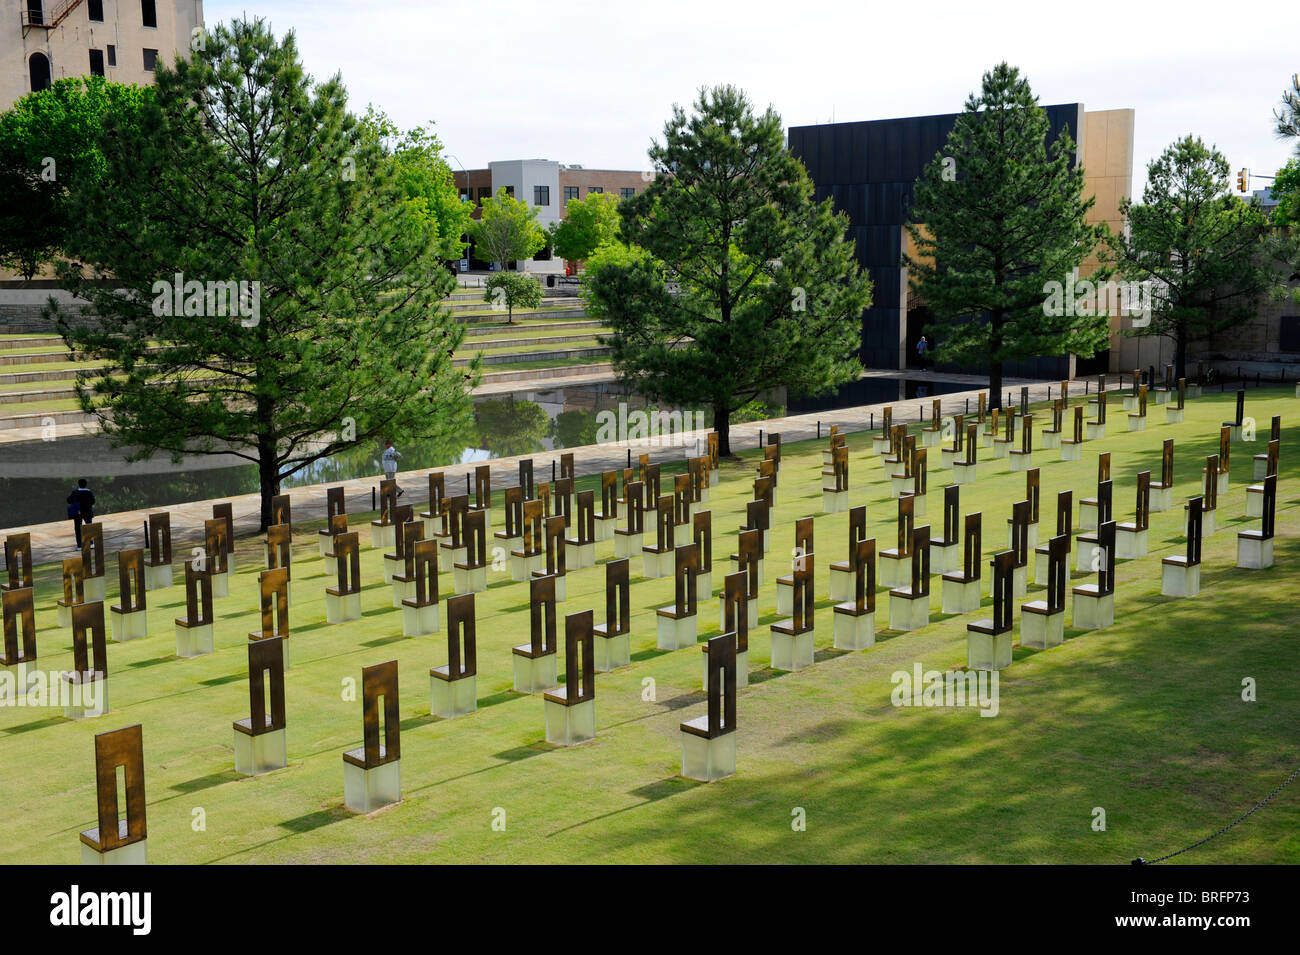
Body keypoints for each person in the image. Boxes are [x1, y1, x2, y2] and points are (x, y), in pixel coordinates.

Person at [67, 478, 96, 548]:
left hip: (77, 513)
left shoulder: (75, 492)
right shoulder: (89, 492)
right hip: (87, 512)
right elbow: (93, 501)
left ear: (78, 484)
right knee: (89, 527)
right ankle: (91, 544)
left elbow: (69, 500)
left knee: (78, 529)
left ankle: (80, 546)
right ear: (86, 485)